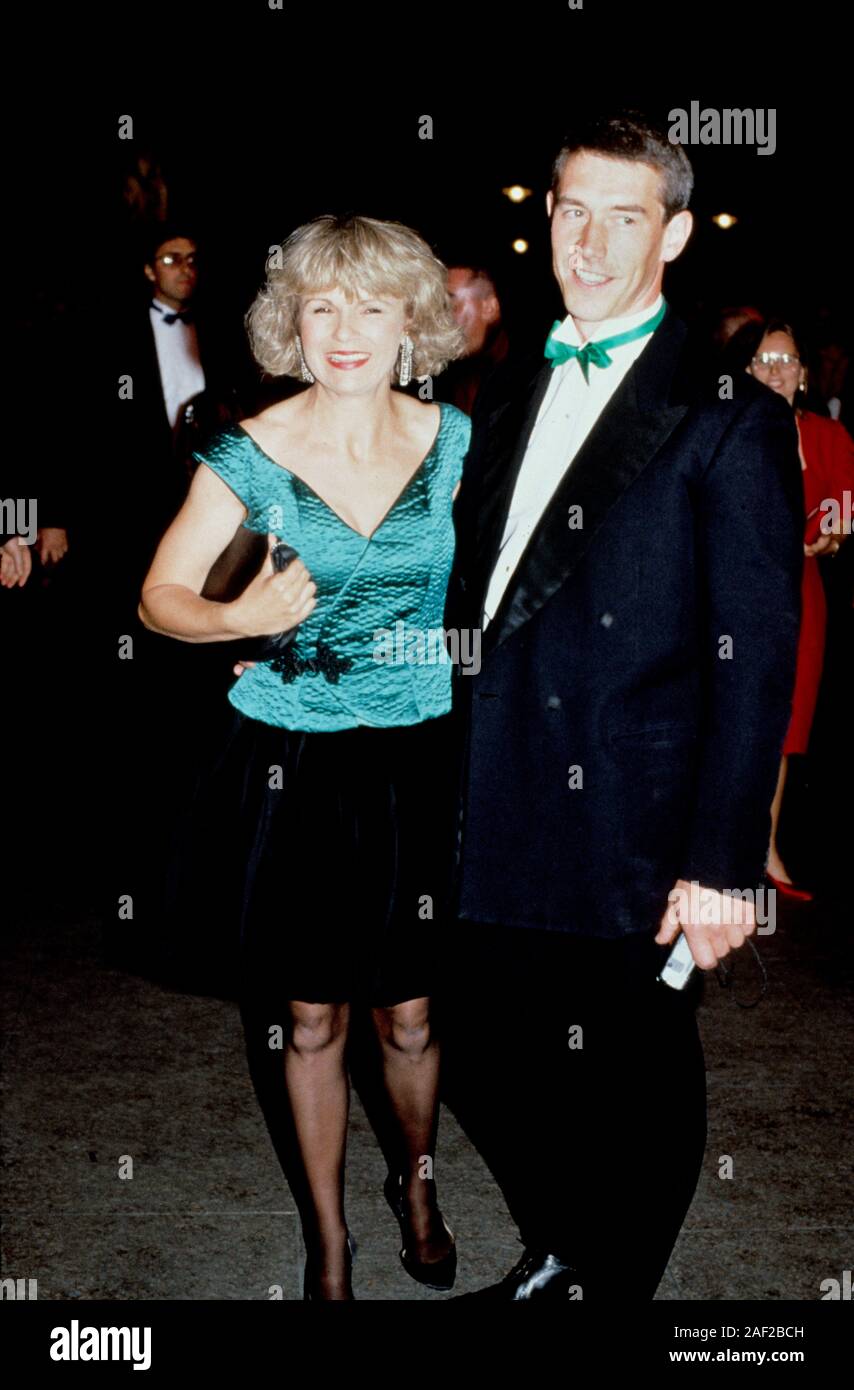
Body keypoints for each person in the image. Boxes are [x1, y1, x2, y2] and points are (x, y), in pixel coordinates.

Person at [442, 111, 804, 1301]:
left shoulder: (726, 411)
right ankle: (562, 1241)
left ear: (676, 231)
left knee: (633, 1069)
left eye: (625, 217)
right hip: (491, 785)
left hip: (635, 810)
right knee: (484, 1053)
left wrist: (719, 864)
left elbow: (754, 654)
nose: (590, 244)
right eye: (571, 212)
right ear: (544, 216)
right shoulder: (502, 396)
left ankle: (612, 1286)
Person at [139, 214, 470, 1300]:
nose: (344, 330)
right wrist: (240, 620)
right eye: (320, 306)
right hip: (298, 760)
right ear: (291, 321)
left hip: (420, 756)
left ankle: (416, 1183)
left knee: (411, 1011)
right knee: (314, 1012)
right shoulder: (253, 450)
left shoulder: (455, 439)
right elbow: (158, 597)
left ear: (409, 320)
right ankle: (328, 1239)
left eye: (371, 306)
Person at [739, 319, 854, 897]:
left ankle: (766, 847)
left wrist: (829, 537)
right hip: (731, 594)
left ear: (804, 373)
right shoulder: (726, 430)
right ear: (745, 371)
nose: (775, 370)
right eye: (762, 360)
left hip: (799, 593)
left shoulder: (830, 436)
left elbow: (840, 512)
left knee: (783, 723)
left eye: (786, 360)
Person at [438, 265, 510, 415]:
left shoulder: (521, 381)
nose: (440, 319)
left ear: (489, 308)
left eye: (450, 305)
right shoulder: (448, 376)